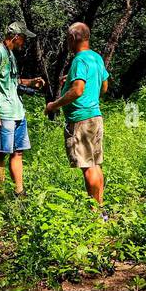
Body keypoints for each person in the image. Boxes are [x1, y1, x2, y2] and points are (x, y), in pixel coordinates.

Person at [46, 22, 110, 205]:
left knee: (87, 167)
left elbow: (78, 91)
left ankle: (94, 214)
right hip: (96, 118)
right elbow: (104, 86)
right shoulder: (96, 58)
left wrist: (54, 105)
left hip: (81, 120)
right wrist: (72, 81)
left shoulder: (79, 60)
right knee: (95, 165)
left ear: (72, 38)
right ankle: (100, 209)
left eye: (68, 38)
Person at [0, 21, 44, 196]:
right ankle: (0, 195)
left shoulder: (11, 55)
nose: (24, 42)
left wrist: (31, 82)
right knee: (1, 152)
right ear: (16, 37)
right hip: (3, 112)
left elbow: (13, 81)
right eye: (23, 38)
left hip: (17, 111)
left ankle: (19, 192)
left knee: (18, 152)